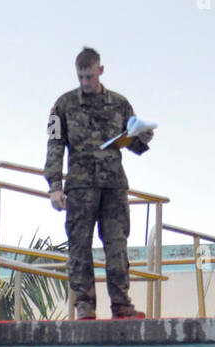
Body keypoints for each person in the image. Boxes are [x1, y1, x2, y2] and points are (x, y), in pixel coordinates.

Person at [45, 46, 154, 322]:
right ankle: (84, 305)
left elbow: (135, 144)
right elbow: (55, 144)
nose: (85, 82)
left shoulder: (119, 104)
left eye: (90, 76)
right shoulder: (62, 106)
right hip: (80, 187)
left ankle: (121, 303)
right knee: (79, 246)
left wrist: (144, 136)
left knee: (117, 244)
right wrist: (54, 185)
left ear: (100, 71)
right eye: (81, 77)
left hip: (113, 186)